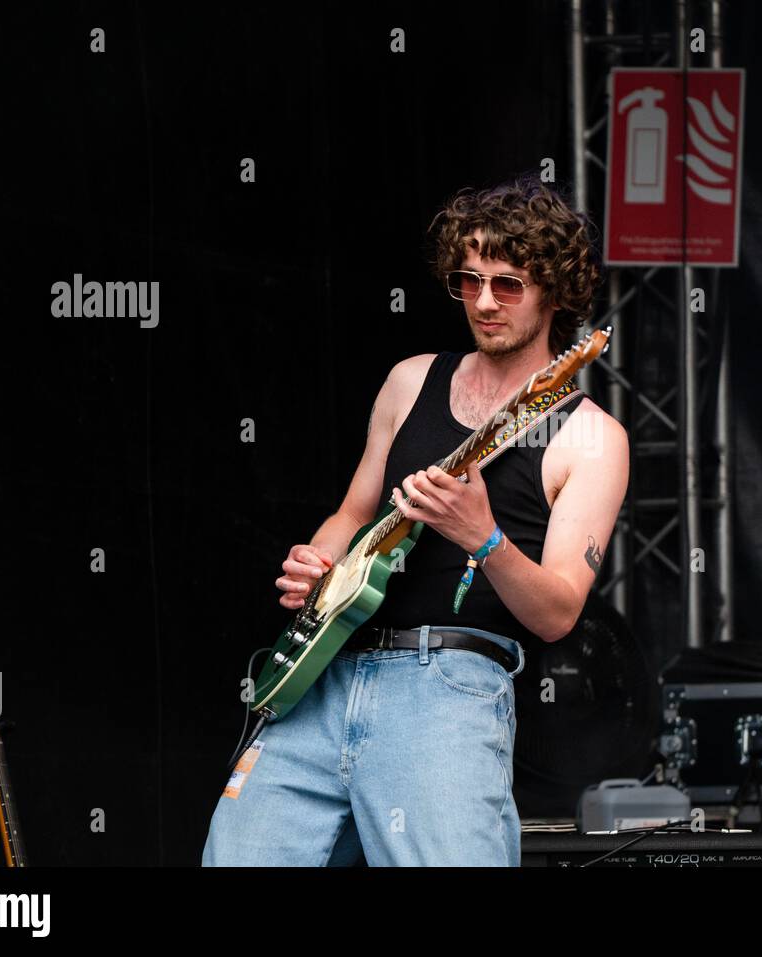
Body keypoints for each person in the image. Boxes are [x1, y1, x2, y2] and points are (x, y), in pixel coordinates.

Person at [201, 174, 630, 866]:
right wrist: (316, 563)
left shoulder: (591, 437)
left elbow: (557, 612)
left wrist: (481, 535)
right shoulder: (411, 380)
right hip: (326, 674)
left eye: (508, 284)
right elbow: (351, 513)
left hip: (446, 690)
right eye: (469, 280)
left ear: (554, 289)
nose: (484, 302)